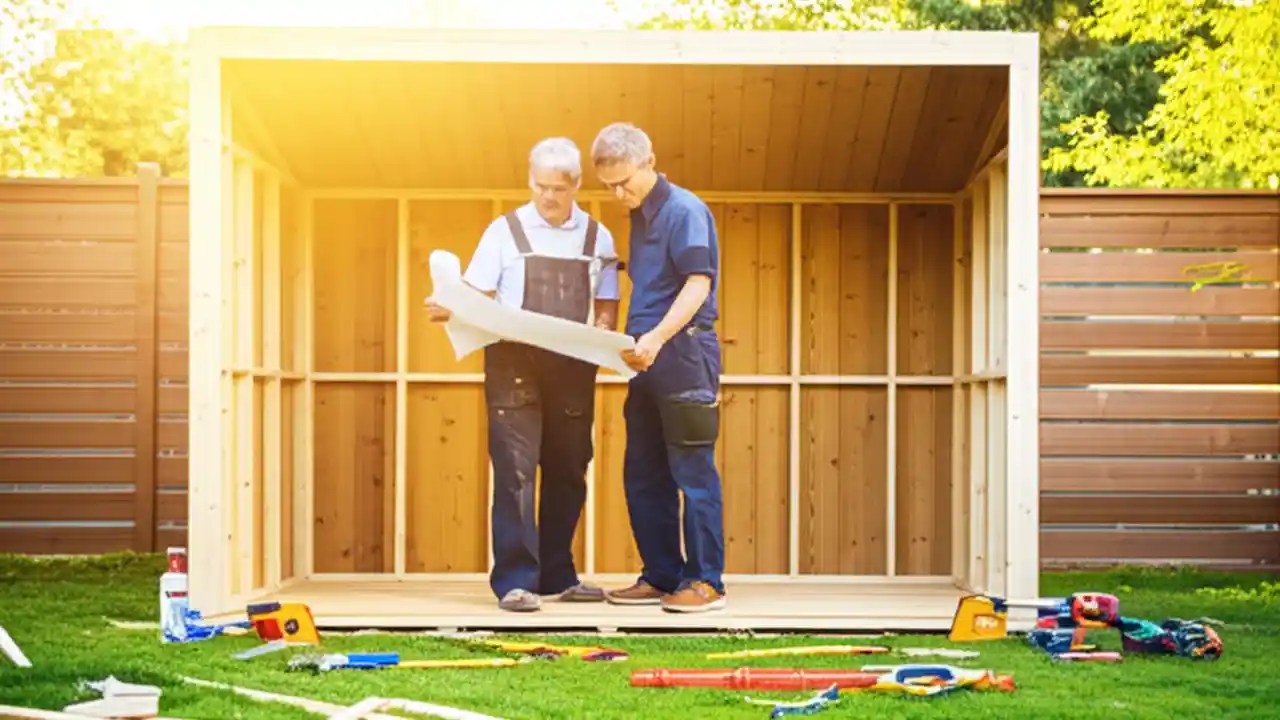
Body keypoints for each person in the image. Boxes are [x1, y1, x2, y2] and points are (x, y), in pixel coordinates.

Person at [425, 137, 620, 612]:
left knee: (569, 468)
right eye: (539, 187)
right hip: (513, 363)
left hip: (573, 362)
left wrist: (604, 329)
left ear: (576, 185)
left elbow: (607, 303)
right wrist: (449, 308)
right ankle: (515, 581)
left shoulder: (598, 237)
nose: (548, 197)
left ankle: (558, 575)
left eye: (558, 188)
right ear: (529, 182)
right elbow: (474, 294)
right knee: (515, 471)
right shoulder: (503, 232)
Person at [588, 122, 726, 613]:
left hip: (684, 354)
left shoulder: (685, 210)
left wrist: (658, 337)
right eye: (609, 187)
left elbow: (697, 284)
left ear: (649, 161)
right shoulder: (640, 215)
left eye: (625, 181)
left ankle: (706, 582)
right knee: (644, 471)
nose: (619, 193)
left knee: (693, 471)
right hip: (642, 359)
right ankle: (662, 574)